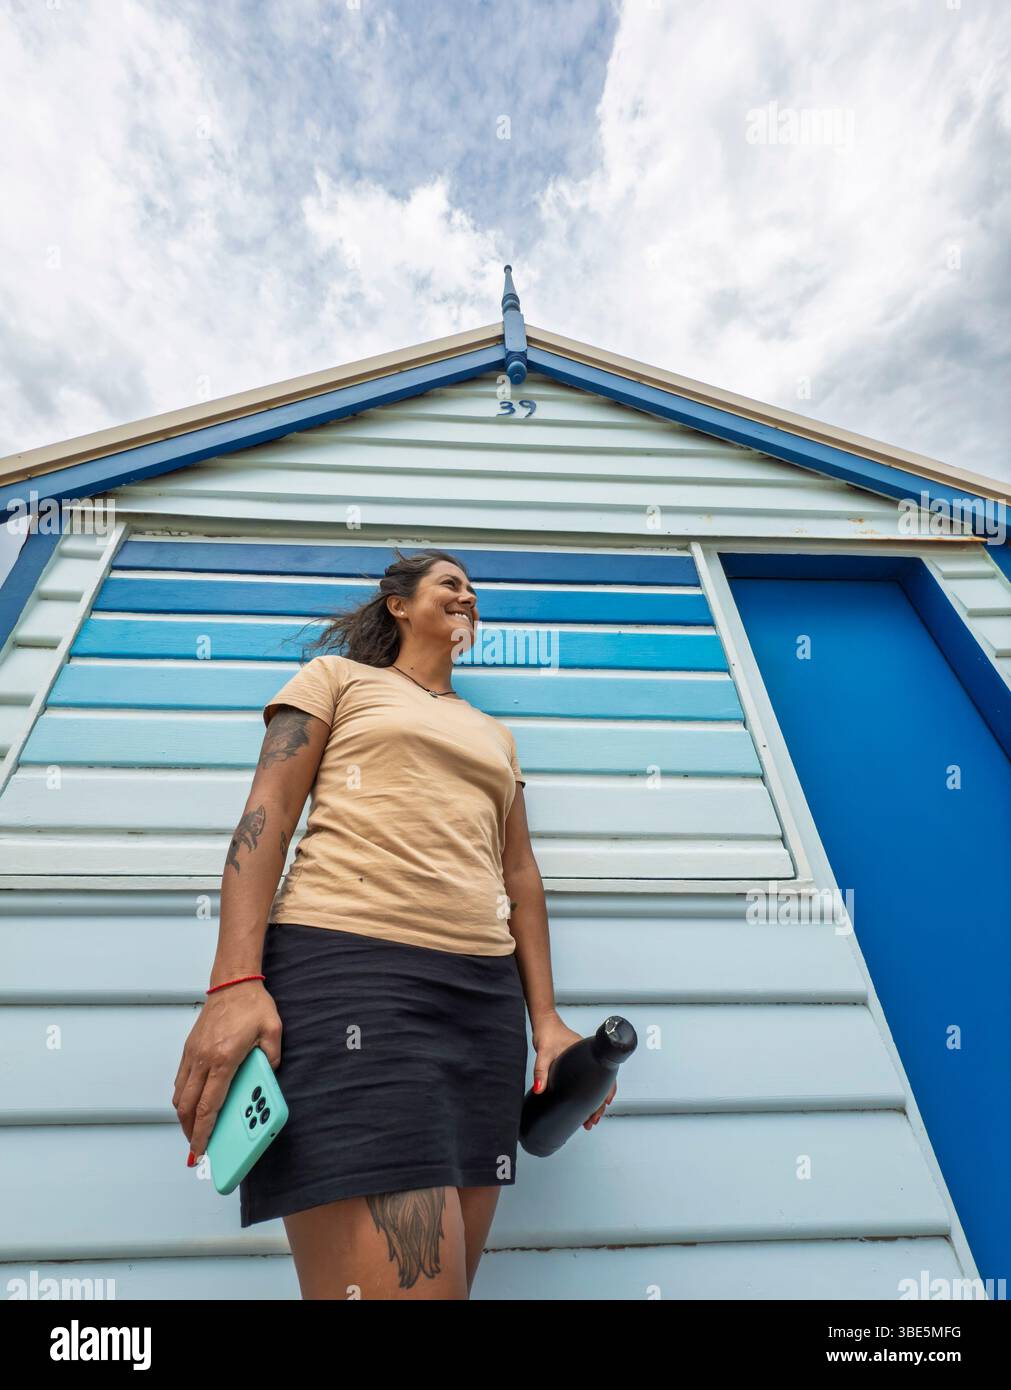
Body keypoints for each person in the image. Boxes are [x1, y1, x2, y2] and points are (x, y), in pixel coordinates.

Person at [172, 546, 616, 1299]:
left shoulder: (493, 733)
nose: (468, 597)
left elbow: (520, 878)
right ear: (398, 606)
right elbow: (267, 816)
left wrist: (545, 1021)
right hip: (355, 977)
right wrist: (235, 981)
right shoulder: (339, 682)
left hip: (483, 1007)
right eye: (450, 584)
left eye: (475, 589)